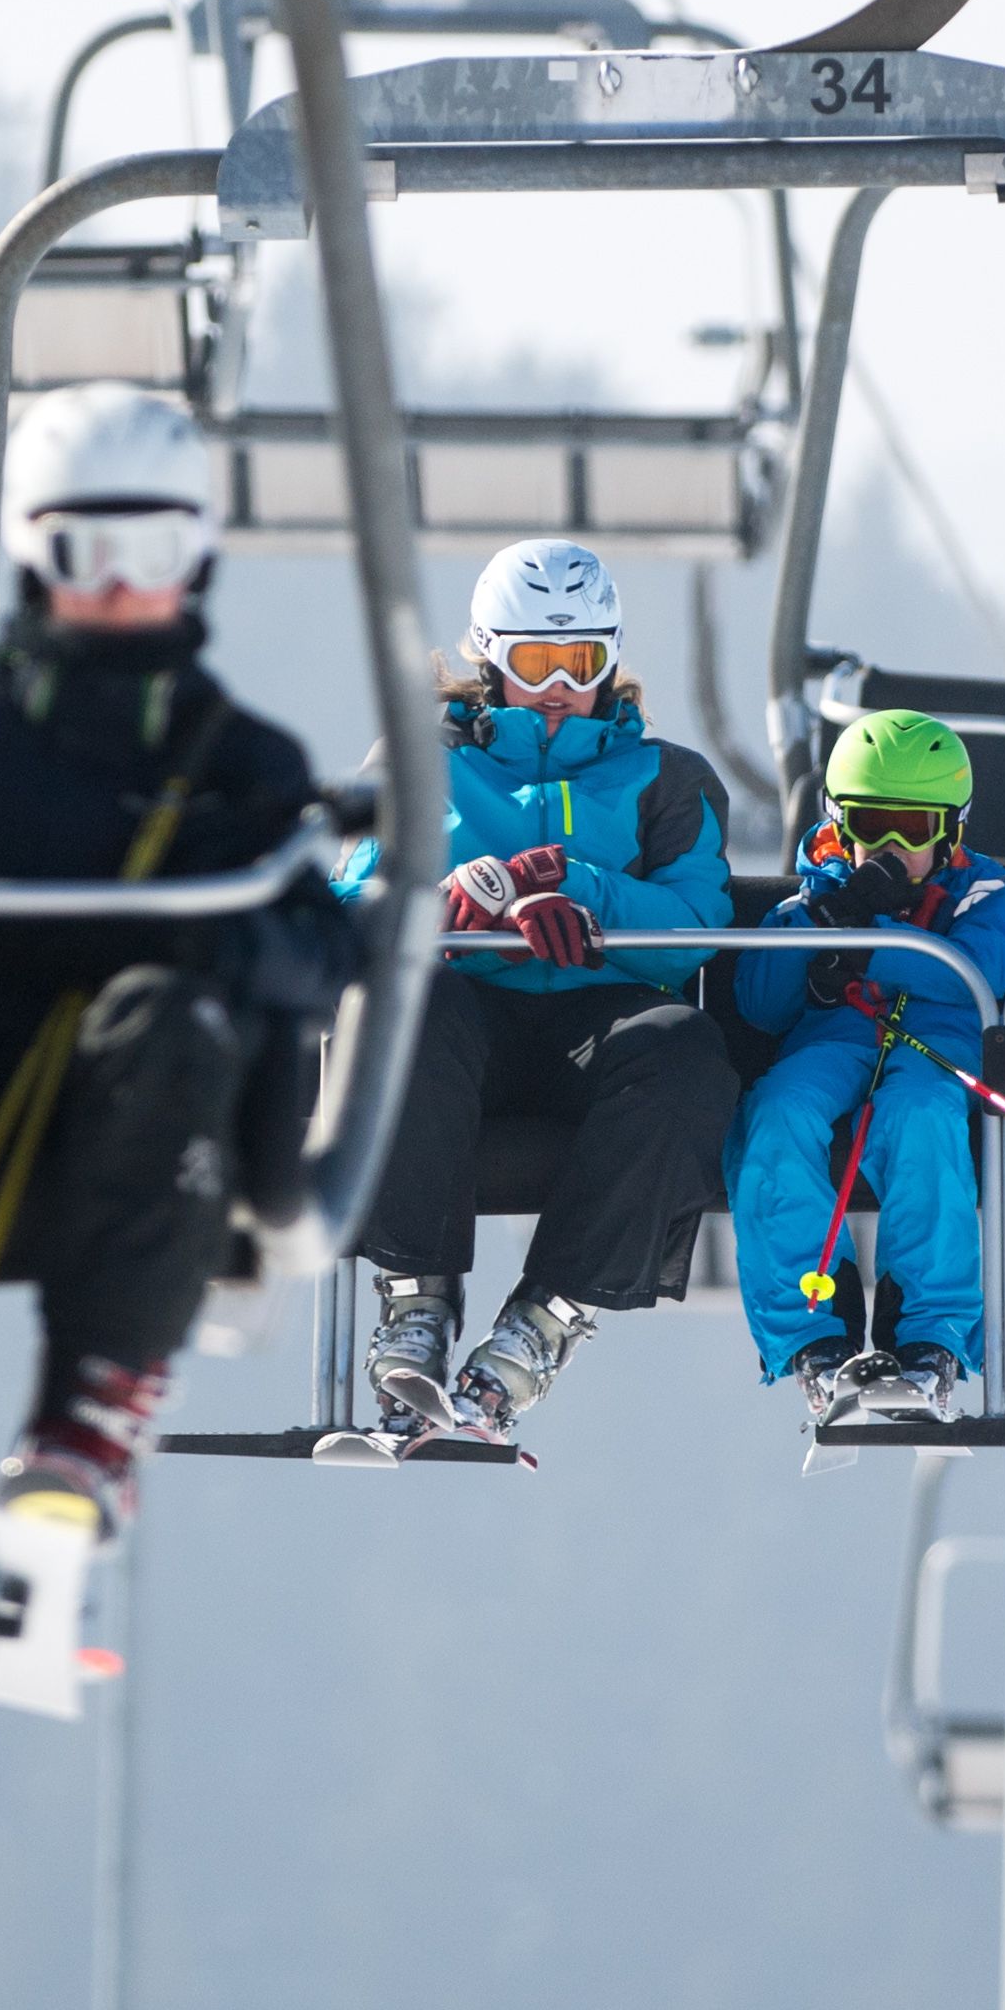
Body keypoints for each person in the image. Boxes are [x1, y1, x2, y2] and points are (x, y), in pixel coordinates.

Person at [0, 383, 340, 1569]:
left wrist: (216, 946)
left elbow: (313, 944)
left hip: (136, 1108)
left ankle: (91, 1411)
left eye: (159, 550)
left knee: (173, 1020)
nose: (127, 585)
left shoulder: (238, 761)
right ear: (38, 556)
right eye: (93, 552)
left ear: (200, 557)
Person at [344, 538, 739, 1443]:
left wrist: (584, 890)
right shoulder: (414, 760)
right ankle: (416, 1301)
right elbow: (345, 897)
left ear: (609, 658)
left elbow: (693, 930)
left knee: (684, 1054)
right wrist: (436, 909)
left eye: (580, 661)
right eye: (534, 662)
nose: (558, 684)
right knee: (402, 1014)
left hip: (593, 1020)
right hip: (459, 1014)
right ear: (489, 658)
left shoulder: (666, 780)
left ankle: (542, 1322)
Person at [724, 712, 1005, 1427]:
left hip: (932, 1048)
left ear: (949, 830)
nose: (889, 848)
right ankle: (813, 1341)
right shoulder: (814, 899)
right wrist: (819, 930)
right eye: (870, 825)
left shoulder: (979, 890)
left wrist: (869, 944)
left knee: (918, 1117)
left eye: (914, 829)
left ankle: (929, 1341)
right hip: (834, 1042)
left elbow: (985, 972)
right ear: (837, 823)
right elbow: (759, 1007)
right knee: (777, 1113)